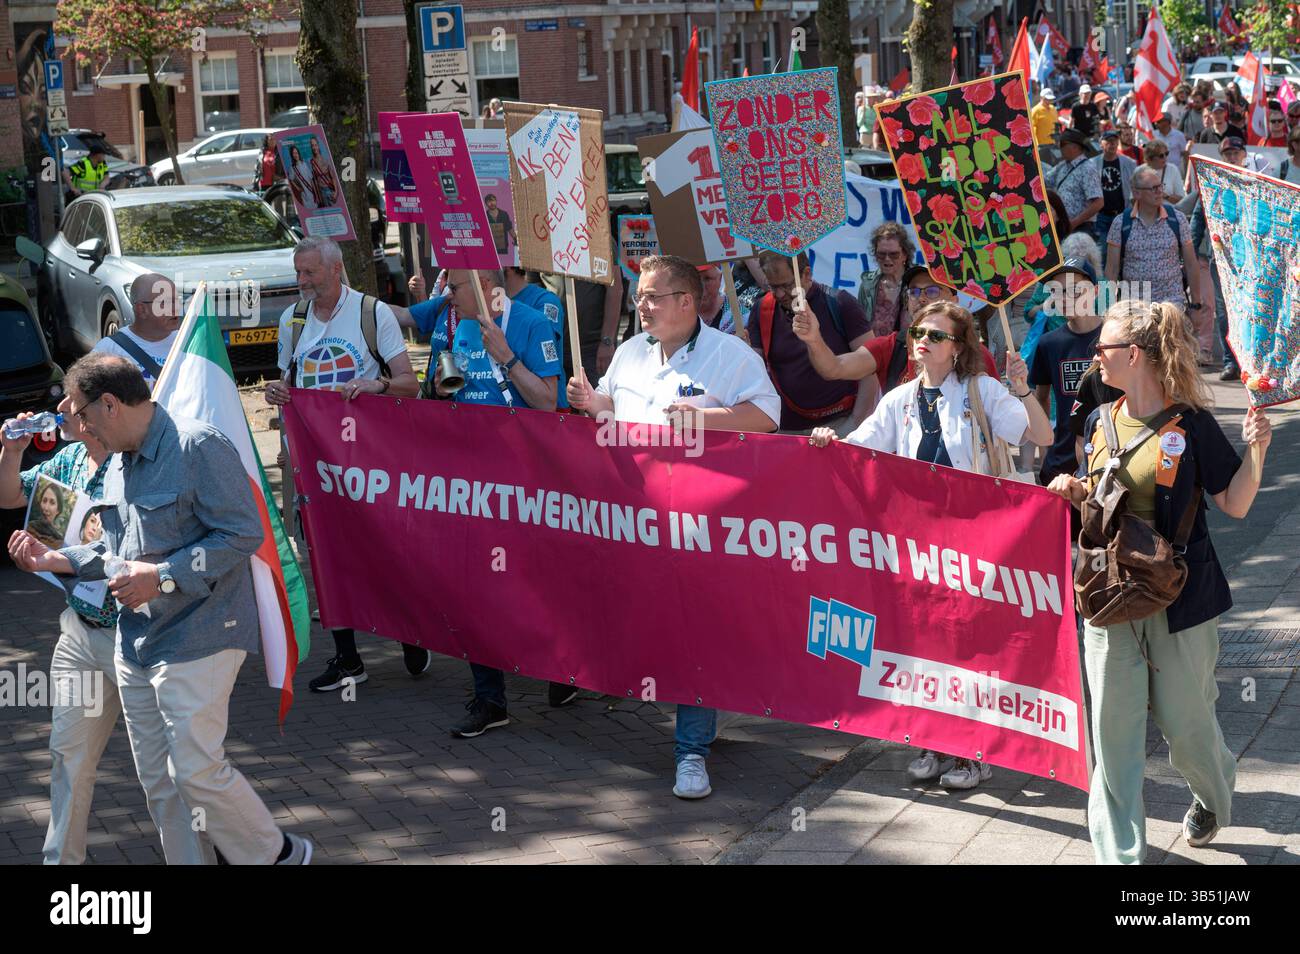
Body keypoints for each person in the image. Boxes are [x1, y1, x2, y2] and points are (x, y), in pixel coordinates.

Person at [9, 355, 314, 864]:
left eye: (82, 415)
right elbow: (112, 557)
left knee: (193, 771)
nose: (78, 428)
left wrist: (163, 575)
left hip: (202, 634)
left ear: (109, 404)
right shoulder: (117, 463)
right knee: (161, 786)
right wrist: (55, 559)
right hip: (137, 645)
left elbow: (243, 533)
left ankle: (276, 854)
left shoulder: (197, 446)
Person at [1046, 300, 1272, 864]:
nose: (1094, 356)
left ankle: (1213, 793)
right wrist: (1076, 491)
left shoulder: (1191, 422)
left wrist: (1259, 449)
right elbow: (1099, 500)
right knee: (1113, 738)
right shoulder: (1098, 419)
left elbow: (1236, 504)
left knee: (1188, 727)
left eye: (1104, 348)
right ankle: (1120, 858)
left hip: (1180, 601)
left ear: (1135, 354)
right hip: (1108, 597)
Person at [809, 301, 1053, 789]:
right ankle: (933, 741)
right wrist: (826, 440)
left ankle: (975, 750)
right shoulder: (899, 399)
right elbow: (861, 446)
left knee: (972, 646)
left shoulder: (982, 390)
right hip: (917, 542)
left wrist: (1022, 389)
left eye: (936, 334)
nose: (922, 339)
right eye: (918, 331)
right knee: (923, 642)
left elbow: (1040, 436)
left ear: (958, 347)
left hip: (976, 539)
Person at [565, 254, 779, 799]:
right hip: (634, 520)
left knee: (693, 629)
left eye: (652, 296)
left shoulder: (731, 357)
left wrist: (705, 419)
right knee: (651, 623)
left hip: (699, 525)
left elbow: (768, 416)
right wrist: (594, 403)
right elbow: (617, 408)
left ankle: (691, 753)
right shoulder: (631, 352)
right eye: (638, 294)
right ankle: (706, 708)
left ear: (686, 302)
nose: (641, 304)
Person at [3, 398, 208, 865]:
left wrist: (56, 559)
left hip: (142, 639)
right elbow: (10, 496)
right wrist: (11, 453)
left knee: (169, 772)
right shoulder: (70, 459)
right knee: (67, 758)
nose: (59, 408)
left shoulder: (135, 462)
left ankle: (195, 857)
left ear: (102, 412)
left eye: (72, 402)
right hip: (81, 633)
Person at [414, 268, 576, 734]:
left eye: (456, 289)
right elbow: (452, 398)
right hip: (474, 486)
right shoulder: (461, 326)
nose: (447, 297)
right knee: (474, 588)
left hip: (527, 484)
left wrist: (506, 360)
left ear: (487, 288)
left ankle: (563, 668)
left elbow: (548, 402)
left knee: (534, 585)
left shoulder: (530, 323)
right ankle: (490, 699)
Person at [264, 237, 422, 691]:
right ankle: (348, 658)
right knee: (326, 556)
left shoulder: (374, 315)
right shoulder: (293, 320)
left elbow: (409, 385)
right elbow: (288, 384)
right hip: (315, 463)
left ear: (335, 270)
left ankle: (410, 630)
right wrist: (277, 395)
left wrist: (377, 387)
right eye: (298, 272)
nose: (302, 281)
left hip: (370, 461)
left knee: (384, 551)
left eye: (309, 272)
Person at [796, 264, 997, 403]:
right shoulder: (891, 347)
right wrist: (813, 339)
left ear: (953, 299)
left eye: (932, 291)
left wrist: (1023, 391)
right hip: (903, 462)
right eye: (914, 292)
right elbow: (834, 368)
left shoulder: (976, 354)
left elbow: (998, 420)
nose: (922, 298)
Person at [746, 251, 873, 435]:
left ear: (806, 274)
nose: (780, 294)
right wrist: (742, 351)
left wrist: (856, 424)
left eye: (786, 285)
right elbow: (755, 371)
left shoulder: (840, 302)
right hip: (786, 429)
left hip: (840, 424)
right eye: (773, 287)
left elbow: (873, 366)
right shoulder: (762, 309)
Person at [1027, 258, 1102, 488]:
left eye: (1073, 290)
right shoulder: (1049, 343)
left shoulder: (1114, 339)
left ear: (1095, 291)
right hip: (1061, 463)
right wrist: (1044, 451)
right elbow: (1040, 398)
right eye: (1056, 291)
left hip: (1110, 459)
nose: (1065, 298)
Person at [1105, 165, 1202, 319]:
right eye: (1153, 188)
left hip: (1172, 308)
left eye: (1160, 186)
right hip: (1135, 310)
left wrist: (1196, 305)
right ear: (1136, 193)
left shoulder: (1177, 219)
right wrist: (1107, 310)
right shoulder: (1120, 223)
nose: (1160, 192)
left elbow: (1191, 264)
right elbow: (1111, 269)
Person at [92, 273, 180, 387]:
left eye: (177, 301)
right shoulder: (110, 349)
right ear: (142, 309)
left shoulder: (188, 344)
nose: (176, 308)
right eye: (165, 302)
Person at [856, 222, 913, 339]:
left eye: (894, 254)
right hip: (875, 353)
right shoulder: (867, 285)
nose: (887, 259)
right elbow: (860, 325)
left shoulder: (916, 284)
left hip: (906, 353)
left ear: (905, 255)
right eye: (881, 254)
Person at [1091, 130, 1136, 264]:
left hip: (1123, 214)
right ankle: (1105, 283)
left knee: (1125, 252)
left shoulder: (1129, 163)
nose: (1113, 144)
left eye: (1115, 141)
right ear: (1101, 144)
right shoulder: (1092, 164)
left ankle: (1123, 282)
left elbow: (1135, 187)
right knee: (1103, 253)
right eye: (1109, 141)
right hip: (1101, 216)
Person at [1048, 129, 1104, 233]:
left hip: (1081, 228)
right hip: (1064, 226)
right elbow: (1044, 181)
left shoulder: (1087, 168)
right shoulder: (1062, 166)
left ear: (1075, 147)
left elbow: (1098, 202)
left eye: (1063, 144)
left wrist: (1074, 223)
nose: (1060, 148)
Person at [285, 143, 319, 210]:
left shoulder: (304, 164)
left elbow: (311, 179)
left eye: (296, 153)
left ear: (299, 153)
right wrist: (297, 188)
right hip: (304, 195)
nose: (295, 155)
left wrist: (316, 193)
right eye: (293, 153)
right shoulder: (292, 168)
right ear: (292, 155)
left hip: (312, 192)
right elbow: (291, 179)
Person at [308, 137, 338, 207]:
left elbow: (333, 177)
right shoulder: (312, 162)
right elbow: (314, 180)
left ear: (318, 146)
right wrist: (317, 196)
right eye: (312, 145)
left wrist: (336, 192)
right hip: (321, 193)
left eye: (315, 145)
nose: (314, 147)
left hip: (329, 191)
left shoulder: (326, 159)